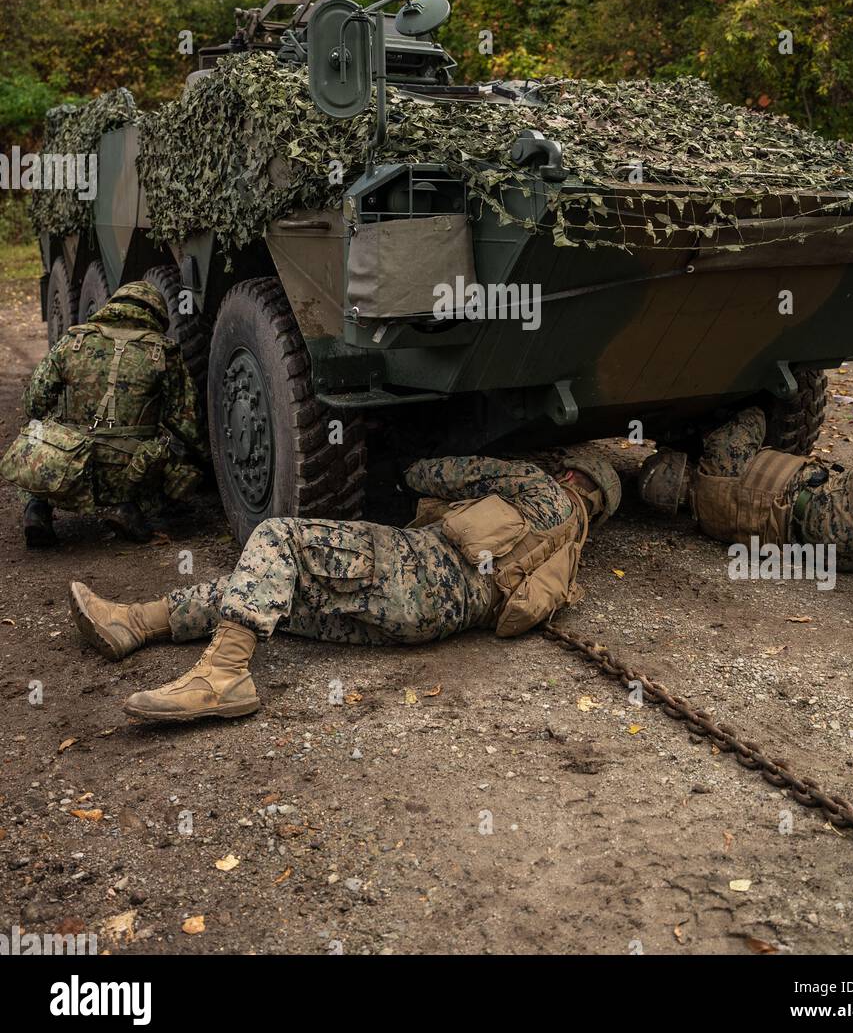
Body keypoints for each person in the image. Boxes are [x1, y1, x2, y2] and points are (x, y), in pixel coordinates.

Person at [67, 450, 621, 724]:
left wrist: (407, 464)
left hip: (406, 569)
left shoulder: (535, 484)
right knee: (273, 589)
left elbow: (431, 475)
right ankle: (133, 622)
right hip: (424, 625)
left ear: (570, 476)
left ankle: (223, 678)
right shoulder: (570, 557)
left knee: (277, 538)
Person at [638, 405, 853, 638]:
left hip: (825, 553)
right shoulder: (718, 464)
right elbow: (752, 417)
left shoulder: (706, 520)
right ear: (685, 466)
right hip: (825, 513)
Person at [1, 279, 208, 546]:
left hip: (65, 466)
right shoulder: (163, 352)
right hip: (129, 470)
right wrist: (203, 462)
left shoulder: (73, 341)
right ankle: (126, 507)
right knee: (168, 452)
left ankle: (38, 508)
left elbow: (34, 404)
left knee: (38, 434)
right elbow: (186, 423)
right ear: (156, 314)